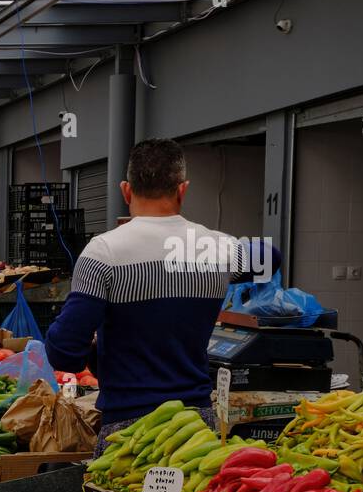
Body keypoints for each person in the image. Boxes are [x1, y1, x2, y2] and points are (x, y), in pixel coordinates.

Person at [45, 138, 276, 452]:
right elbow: (270, 255)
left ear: (126, 190)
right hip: (195, 427)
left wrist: (96, 349)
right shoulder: (217, 248)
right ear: (183, 190)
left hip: (128, 431)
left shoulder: (104, 251)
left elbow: (62, 353)